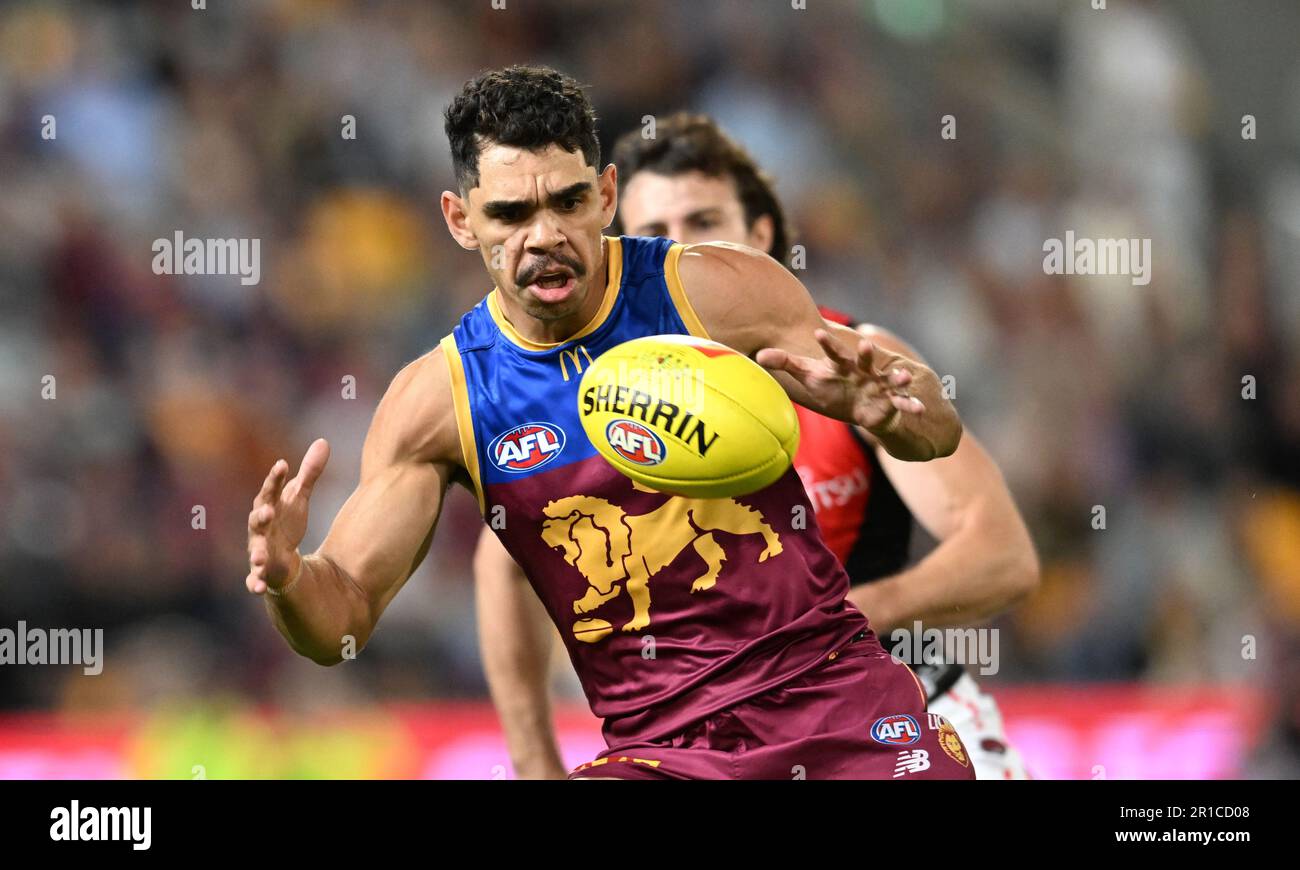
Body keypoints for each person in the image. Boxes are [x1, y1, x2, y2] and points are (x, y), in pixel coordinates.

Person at [246, 66, 970, 779]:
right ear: (460, 220)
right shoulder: (442, 404)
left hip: (837, 702)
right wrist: (287, 578)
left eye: (567, 202)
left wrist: (906, 409)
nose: (545, 235)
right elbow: (341, 615)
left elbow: (933, 436)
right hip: (663, 755)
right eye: (511, 214)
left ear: (606, 196)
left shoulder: (715, 294)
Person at [476, 113, 1039, 780]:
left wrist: (829, 623)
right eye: (653, 234)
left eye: (703, 224)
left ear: (760, 235)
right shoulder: (595, 405)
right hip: (712, 755)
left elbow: (1005, 557)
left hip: (901, 719)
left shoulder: (847, 361)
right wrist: (534, 762)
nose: (677, 252)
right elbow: (502, 561)